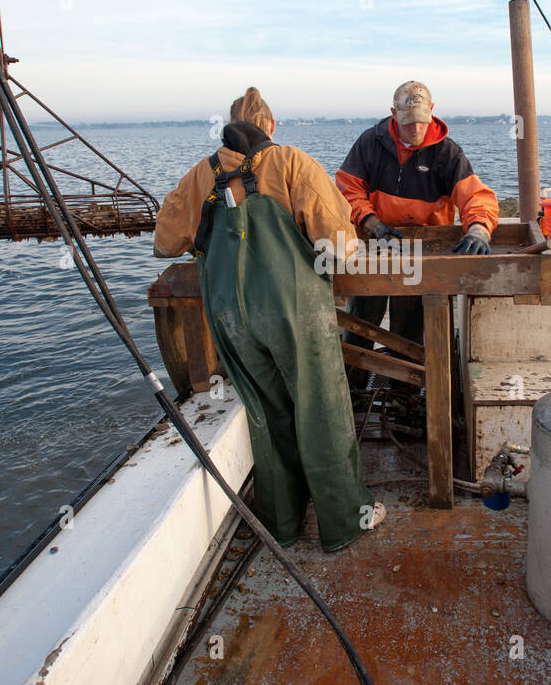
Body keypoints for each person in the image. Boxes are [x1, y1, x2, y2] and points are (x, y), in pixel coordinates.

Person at [153, 87, 384, 551]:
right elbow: (338, 246)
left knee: (266, 413)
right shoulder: (291, 163)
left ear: (228, 130)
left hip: (231, 318)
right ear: (270, 126)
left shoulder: (202, 174)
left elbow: (165, 242)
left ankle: (282, 525)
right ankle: (344, 520)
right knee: (321, 408)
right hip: (291, 310)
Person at [335, 80, 499, 388]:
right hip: (375, 246)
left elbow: (476, 197)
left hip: (422, 252)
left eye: (421, 122)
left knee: (411, 328)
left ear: (432, 112)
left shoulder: (447, 152)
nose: (415, 130)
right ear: (393, 113)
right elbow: (347, 188)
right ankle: (352, 390)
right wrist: (372, 224)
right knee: (361, 322)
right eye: (408, 123)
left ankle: (406, 392)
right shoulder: (370, 143)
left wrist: (478, 229)